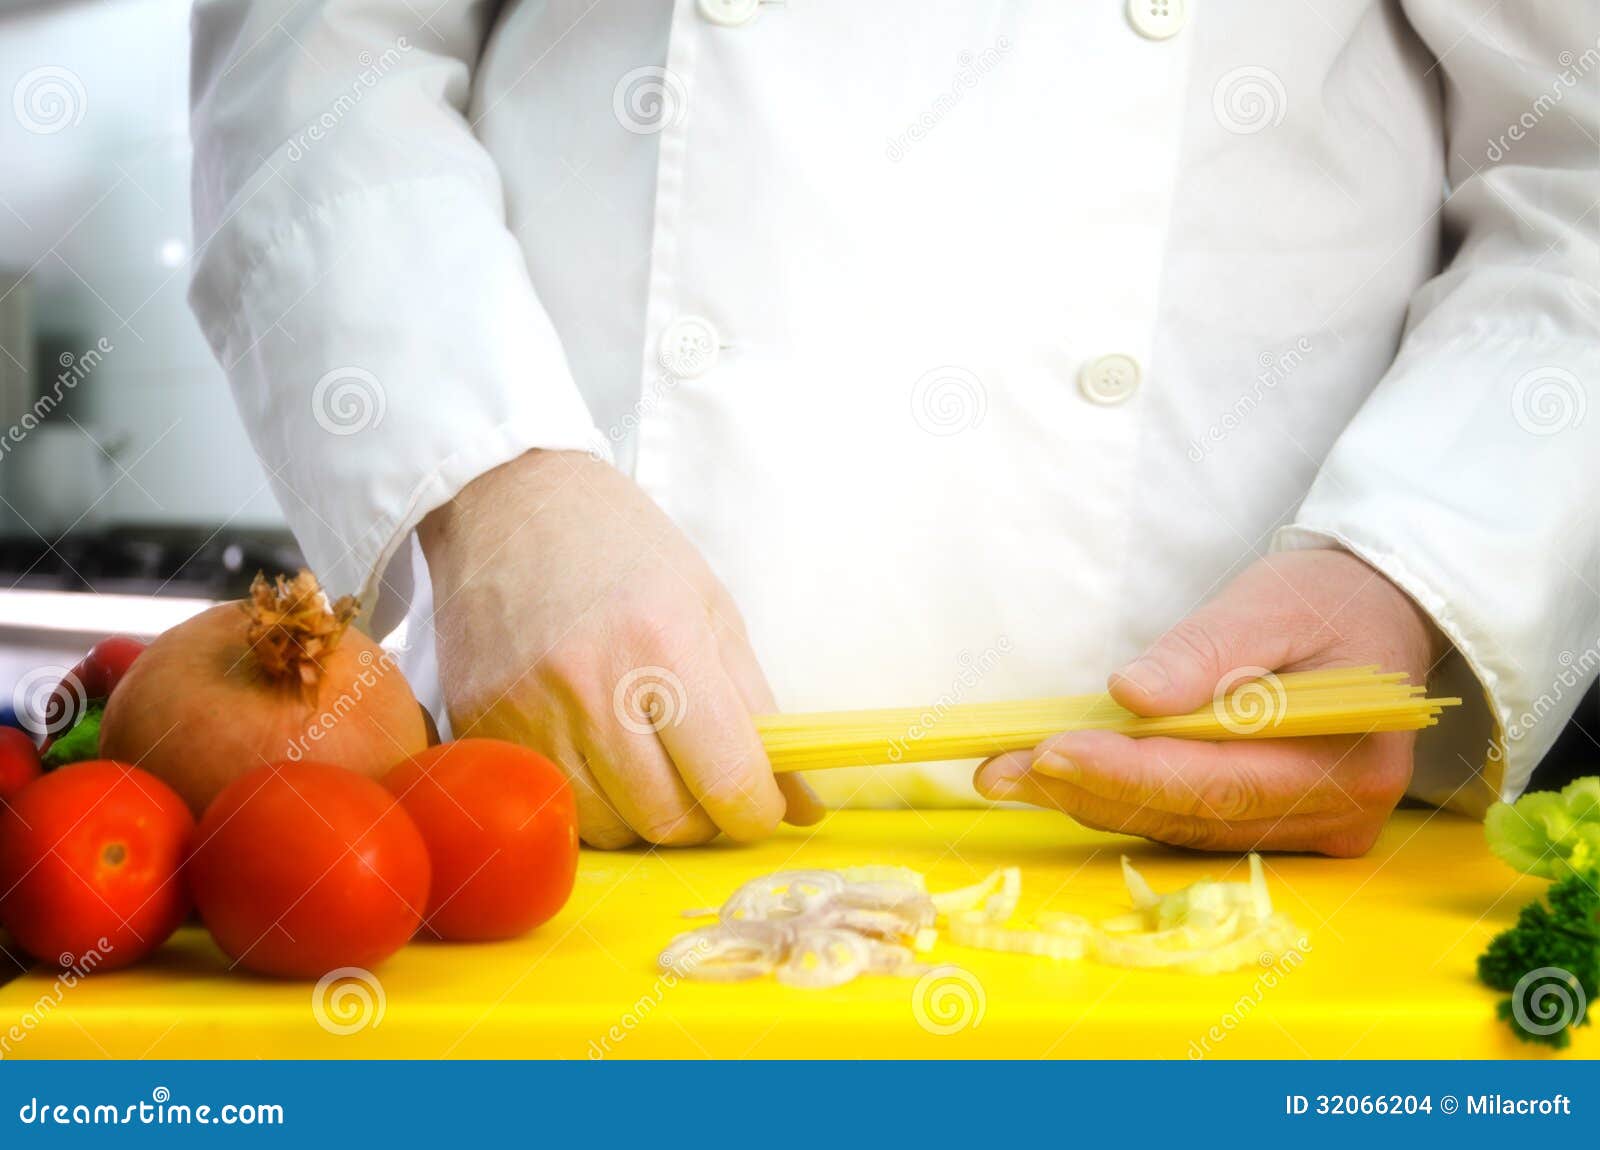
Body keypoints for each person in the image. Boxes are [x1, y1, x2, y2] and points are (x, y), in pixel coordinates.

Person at [188, 1, 1598, 853]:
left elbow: (1576, 156)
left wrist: (1414, 560)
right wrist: (490, 479)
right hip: (566, 769)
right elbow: (319, 60)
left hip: (1244, 814)